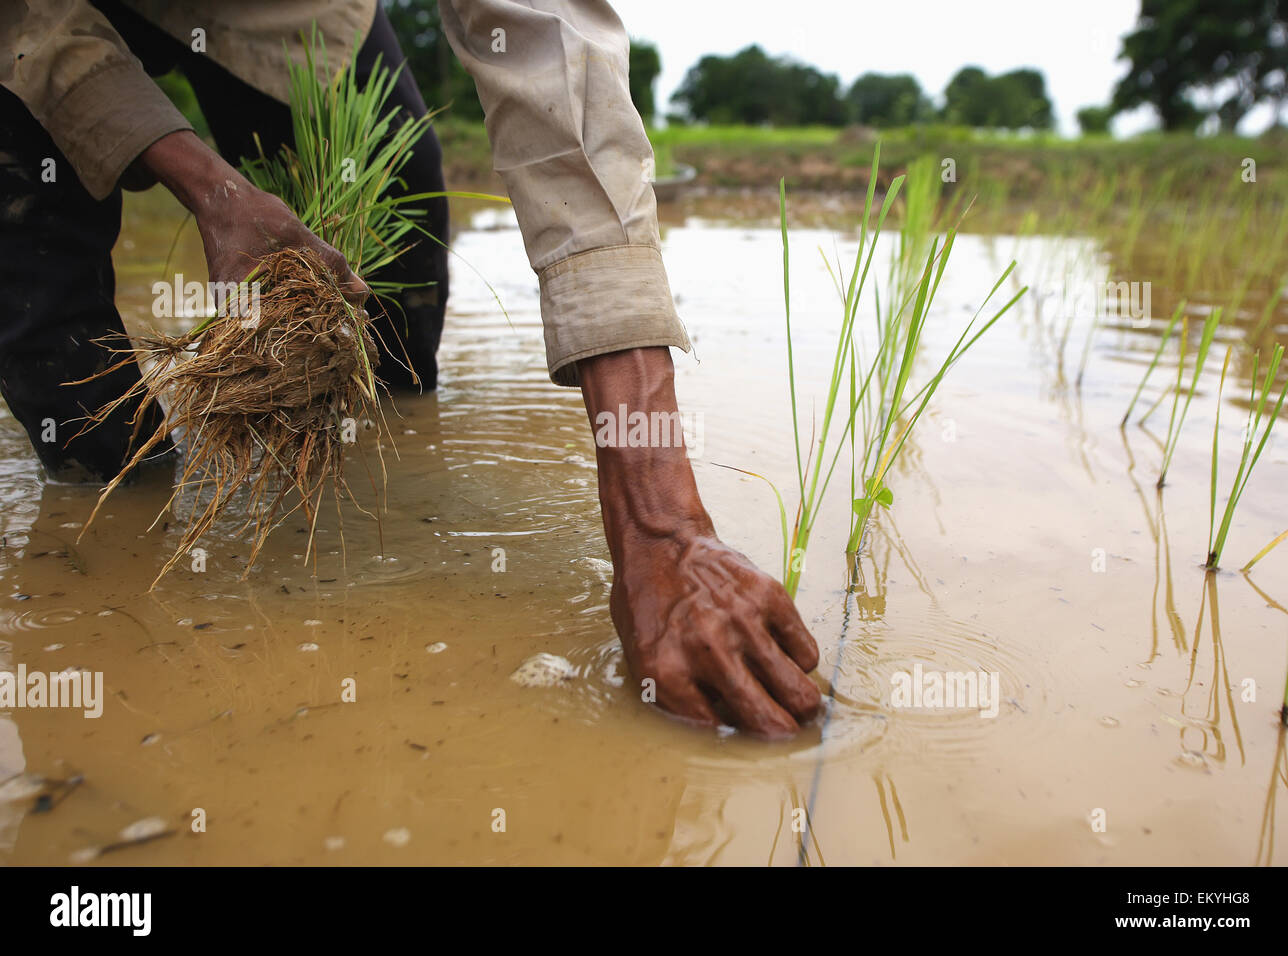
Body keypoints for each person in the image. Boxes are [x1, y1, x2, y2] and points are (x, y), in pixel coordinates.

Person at [0, 0, 822, 738]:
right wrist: (211, 187)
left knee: (400, 258)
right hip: (45, 22)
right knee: (69, 375)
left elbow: (552, 55)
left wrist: (662, 524)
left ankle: (369, 473)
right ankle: (113, 572)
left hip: (285, 19)